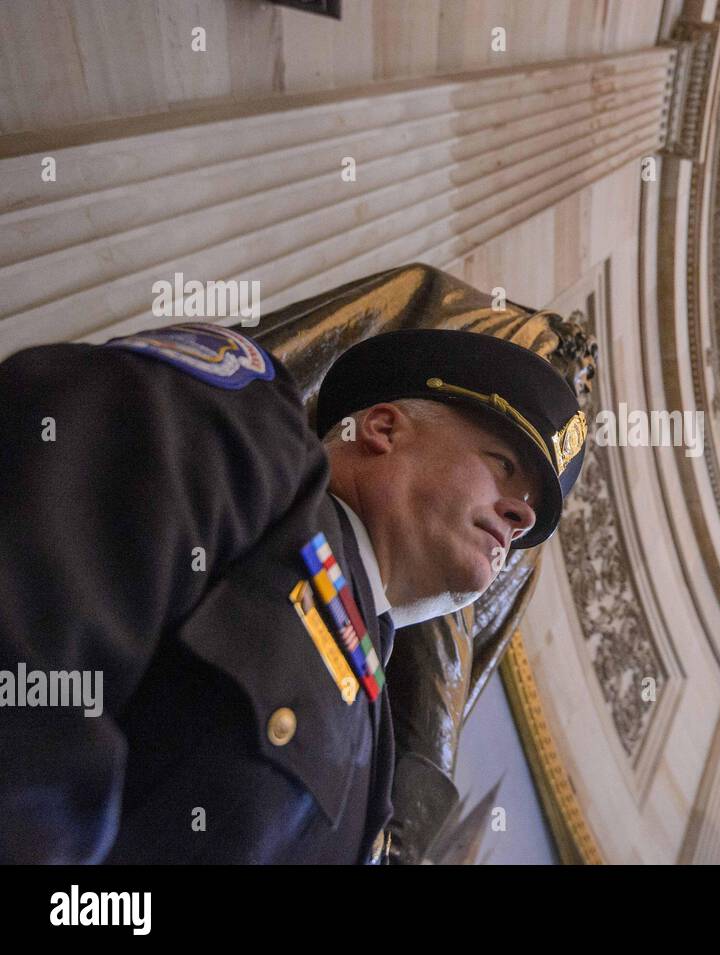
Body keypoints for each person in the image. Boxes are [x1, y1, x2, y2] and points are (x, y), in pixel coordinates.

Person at [0, 321, 586, 864]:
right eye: (502, 464)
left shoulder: (377, 763)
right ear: (383, 428)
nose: (517, 517)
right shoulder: (254, 440)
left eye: (528, 518)